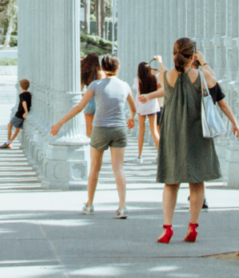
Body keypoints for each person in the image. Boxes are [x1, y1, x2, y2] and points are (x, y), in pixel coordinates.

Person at [140, 37, 238, 244]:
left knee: (171, 182)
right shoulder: (203, 76)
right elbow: (221, 100)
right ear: (193, 56)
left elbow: (166, 89)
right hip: (197, 133)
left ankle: (167, 228)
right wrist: (234, 122)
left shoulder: (165, 76)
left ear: (174, 53)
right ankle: (193, 226)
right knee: (197, 181)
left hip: (173, 134)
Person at [52, 55, 136, 218]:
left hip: (100, 129)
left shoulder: (95, 85)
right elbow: (133, 108)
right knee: (118, 168)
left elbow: (79, 107)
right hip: (119, 129)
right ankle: (122, 206)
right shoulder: (125, 86)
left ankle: (90, 204)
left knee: (95, 168)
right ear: (118, 68)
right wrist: (131, 117)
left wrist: (60, 123)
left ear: (102, 68)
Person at [134, 62, 161, 162]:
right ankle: (160, 155)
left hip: (141, 106)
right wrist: (155, 72)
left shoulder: (137, 80)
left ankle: (140, 156)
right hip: (152, 106)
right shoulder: (154, 78)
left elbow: (135, 88)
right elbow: (159, 87)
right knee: (154, 131)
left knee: (141, 131)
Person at [1, 79, 32, 148]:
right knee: (17, 129)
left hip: (19, 114)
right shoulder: (29, 94)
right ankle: (9, 142)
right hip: (22, 115)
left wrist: (26, 112)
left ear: (21, 87)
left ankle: (8, 141)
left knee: (9, 125)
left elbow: (23, 102)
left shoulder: (22, 95)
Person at [80, 54, 100, 137]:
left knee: (89, 130)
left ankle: (90, 143)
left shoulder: (85, 73)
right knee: (98, 129)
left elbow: (80, 89)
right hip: (99, 102)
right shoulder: (100, 73)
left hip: (89, 102)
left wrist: (84, 96)